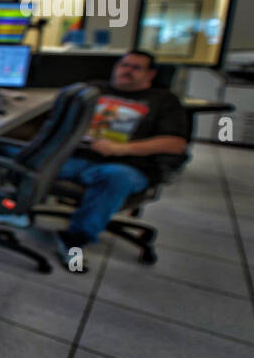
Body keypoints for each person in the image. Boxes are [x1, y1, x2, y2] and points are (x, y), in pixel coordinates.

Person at [47, 51, 189, 270]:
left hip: (127, 165)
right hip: (77, 156)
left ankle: (74, 239)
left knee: (114, 178)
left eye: (136, 68)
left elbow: (175, 143)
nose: (127, 71)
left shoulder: (163, 100)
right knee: (27, 156)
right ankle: (13, 211)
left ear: (150, 74)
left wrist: (122, 149)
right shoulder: (92, 90)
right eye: (124, 65)